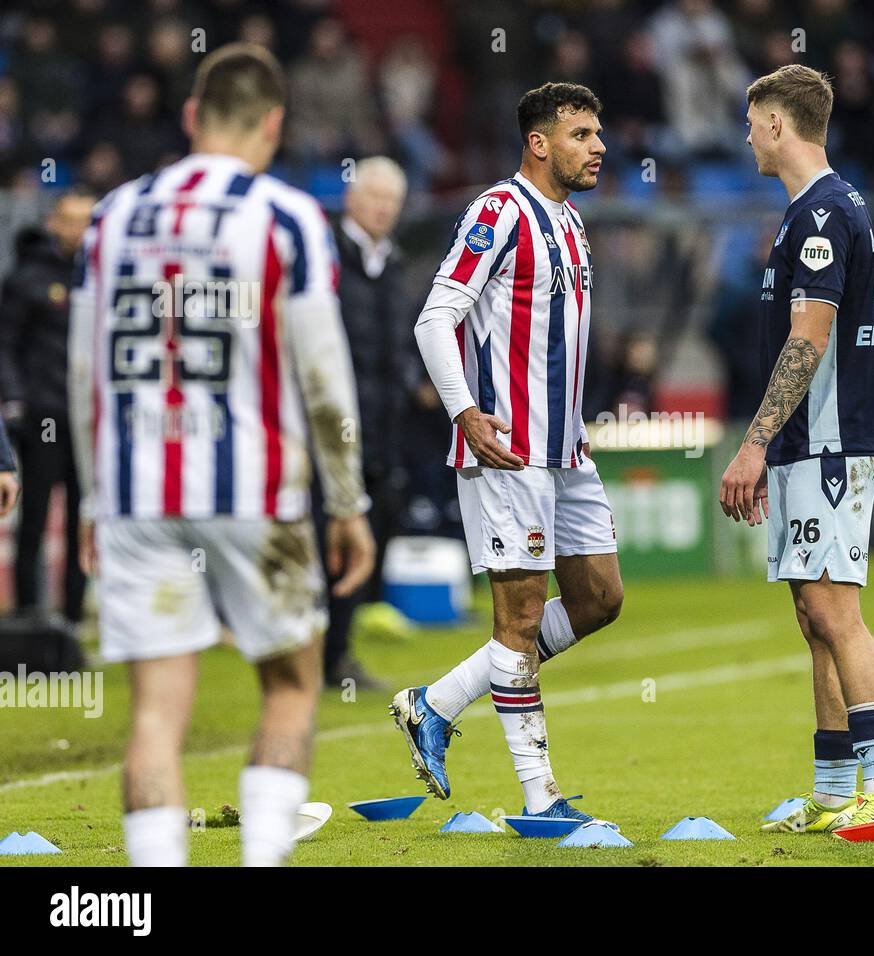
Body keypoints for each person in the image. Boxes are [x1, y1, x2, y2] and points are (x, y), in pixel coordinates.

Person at [68, 43, 374, 867]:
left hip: (137, 490)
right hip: (254, 490)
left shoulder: (112, 216)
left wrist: (96, 497)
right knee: (289, 685)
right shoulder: (286, 217)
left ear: (191, 116)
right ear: (274, 125)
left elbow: (83, 370)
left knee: (156, 716)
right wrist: (348, 502)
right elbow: (323, 376)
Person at [392, 82, 622, 822]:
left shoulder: (573, 223)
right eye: (582, 134)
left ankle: (434, 702)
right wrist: (465, 412)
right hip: (509, 451)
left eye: (597, 133)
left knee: (599, 600)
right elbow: (436, 320)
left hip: (567, 448)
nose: (598, 147)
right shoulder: (499, 212)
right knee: (518, 623)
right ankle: (540, 797)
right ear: (540, 142)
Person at [719, 65, 874, 833]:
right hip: (810, 441)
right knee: (814, 613)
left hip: (826, 440)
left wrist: (753, 445)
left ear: (775, 124)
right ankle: (835, 790)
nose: (746, 138)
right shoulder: (812, 212)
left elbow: (808, 339)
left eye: (752, 122)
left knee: (836, 610)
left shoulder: (823, 216)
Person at [317, 155, 416, 690]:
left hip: (381, 425)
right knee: (322, 536)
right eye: (374, 196)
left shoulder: (394, 264)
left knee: (364, 539)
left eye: (392, 201)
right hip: (330, 424)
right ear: (352, 198)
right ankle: (309, 652)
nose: (382, 208)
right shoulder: (325, 255)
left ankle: (337, 653)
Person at [0, 188, 94, 626]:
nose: (80, 229)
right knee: (33, 518)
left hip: (87, 418)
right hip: (43, 416)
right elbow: (5, 346)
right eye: (72, 219)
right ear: (54, 222)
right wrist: (16, 399)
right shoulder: (28, 278)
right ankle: (25, 619)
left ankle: (72, 622)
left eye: (88, 220)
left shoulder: (101, 276)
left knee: (83, 518)